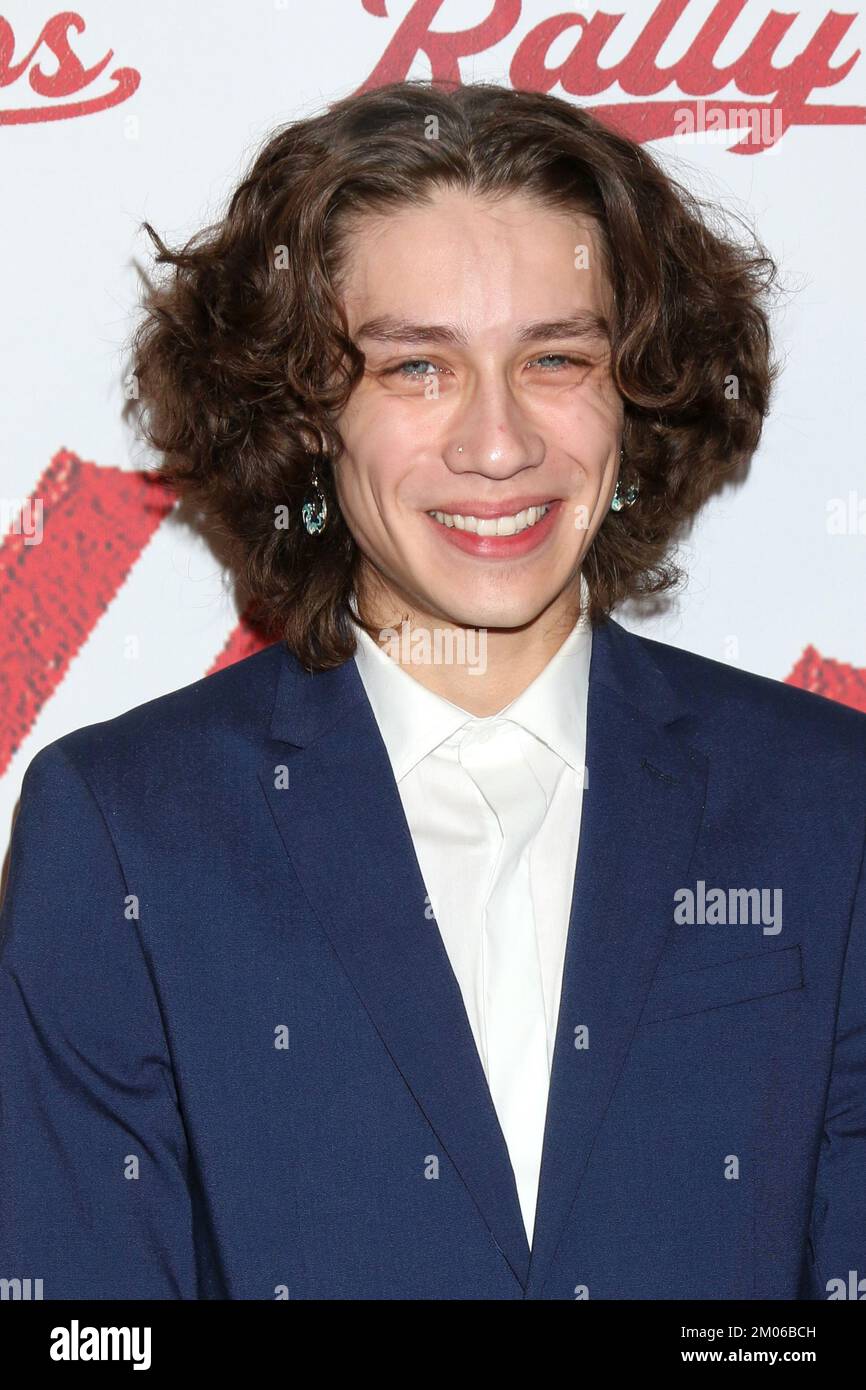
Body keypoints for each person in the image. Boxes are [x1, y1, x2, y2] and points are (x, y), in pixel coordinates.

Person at [1, 79, 864, 1302]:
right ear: (305, 412)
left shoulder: (828, 803)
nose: (497, 444)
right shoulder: (128, 827)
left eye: (555, 357)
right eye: (416, 369)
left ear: (636, 389)